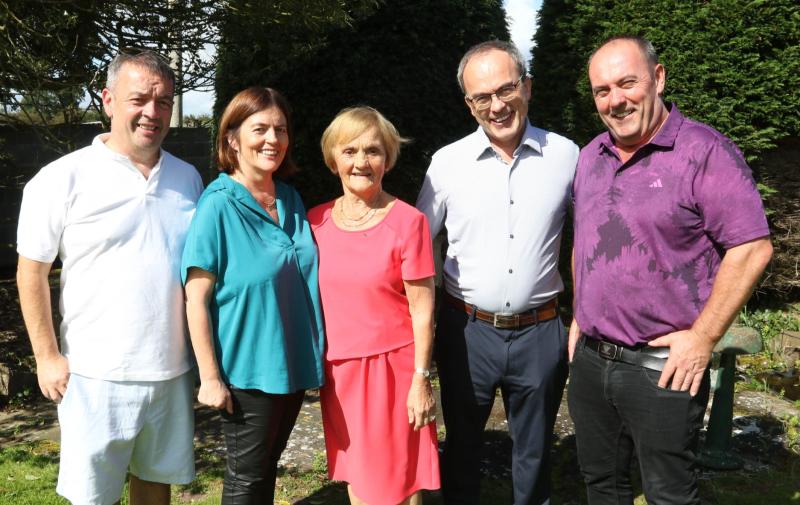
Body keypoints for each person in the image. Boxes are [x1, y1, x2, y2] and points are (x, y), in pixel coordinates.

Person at [568, 35, 773, 505]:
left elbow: (752, 248)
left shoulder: (704, 152)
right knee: (602, 486)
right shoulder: (590, 156)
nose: (616, 100)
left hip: (662, 370)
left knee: (669, 496)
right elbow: (586, 242)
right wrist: (580, 317)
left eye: (627, 83)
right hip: (593, 359)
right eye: (602, 90)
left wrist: (702, 339)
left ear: (658, 78)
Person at [16, 50, 202, 505]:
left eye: (163, 102)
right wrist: (46, 357)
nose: (152, 113)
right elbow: (31, 272)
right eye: (139, 99)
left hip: (170, 370)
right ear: (108, 101)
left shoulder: (188, 178)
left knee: (156, 484)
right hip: (94, 373)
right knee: (93, 496)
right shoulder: (62, 178)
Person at [417, 40, 579, 505]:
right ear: (469, 105)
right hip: (467, 331)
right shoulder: (446, 164)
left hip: (540, 330)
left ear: (527, 87)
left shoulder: (566, 156)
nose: (496, 105)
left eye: (505, 89)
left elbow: (592, 239)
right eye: (481, 97)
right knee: (462, 448)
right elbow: (419, 240)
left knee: (535, 451)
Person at [181, 86, 325, 504]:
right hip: (248, 370)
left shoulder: (290, 198)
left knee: (265, 467)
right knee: (245, 479)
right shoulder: (218, 205)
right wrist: (209, 377)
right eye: (259, 128)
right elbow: (196, 298)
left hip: (291, 362)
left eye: (280, 129)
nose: (272, 140)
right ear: (232, 139)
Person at [308, 106, 440, 505]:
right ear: (333, 160)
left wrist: (421, 379)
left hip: (393, 373)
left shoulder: (409, 222)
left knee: (398, 481)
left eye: (373, 151)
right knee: (360, 483)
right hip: (341, 374)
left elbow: (423, 310)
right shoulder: (316, 222)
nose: (361, 162)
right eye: (349, 151)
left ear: (388, 159)